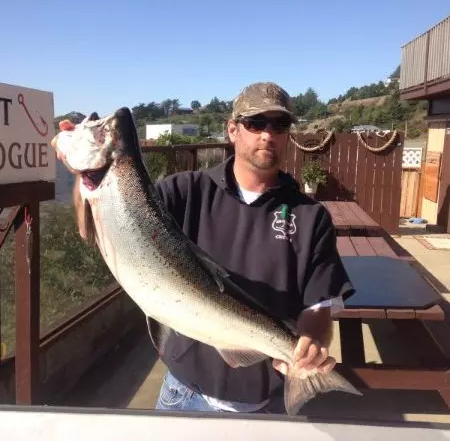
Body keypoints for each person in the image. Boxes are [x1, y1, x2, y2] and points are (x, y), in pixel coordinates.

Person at [55, 82, 354, 414]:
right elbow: (93, 227)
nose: (266, 134)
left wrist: (310, 344)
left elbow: (319, 307)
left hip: (267, 401)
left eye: (278, 124)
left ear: (287, 134)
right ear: (232, 129)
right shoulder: (184, 190)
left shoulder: (311, 217)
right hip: (183, 392)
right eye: (255, 123)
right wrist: (82, 177)